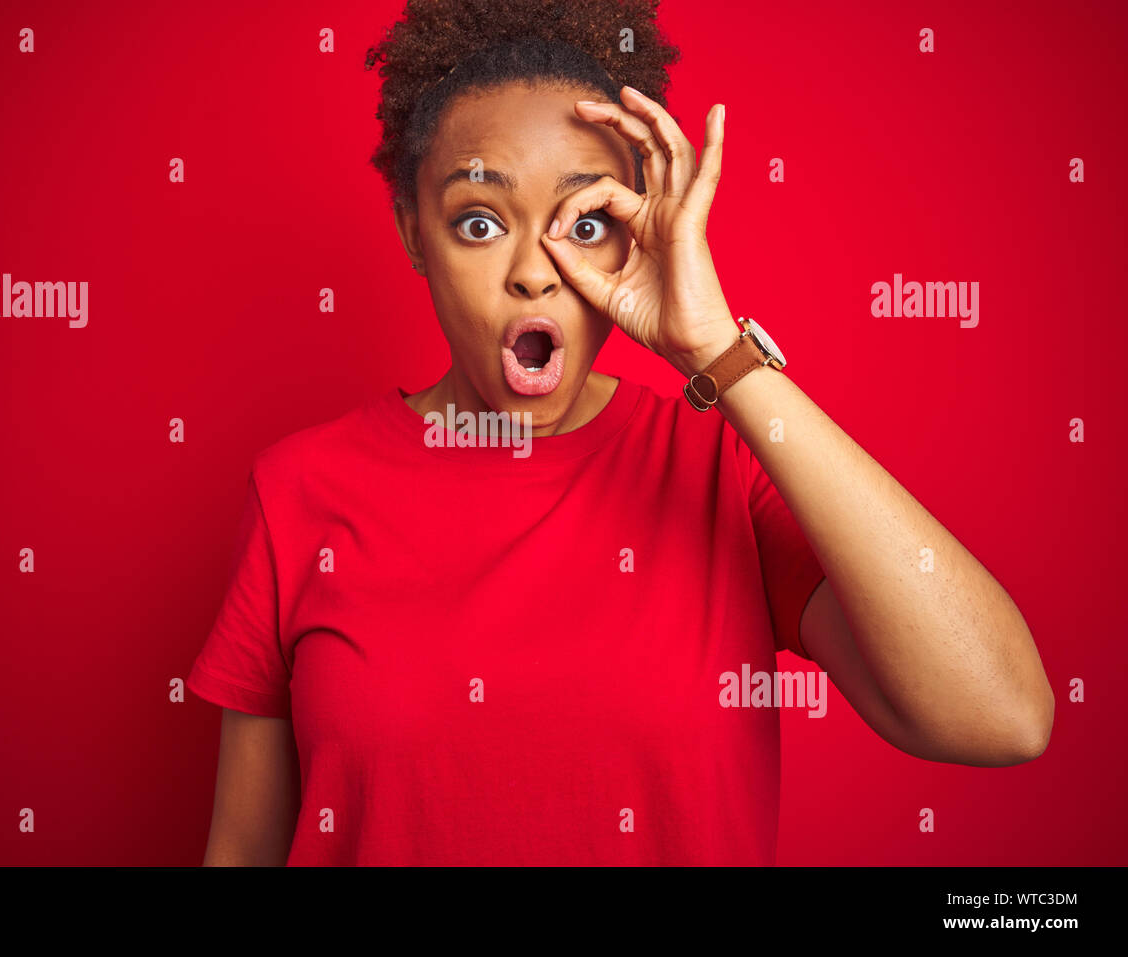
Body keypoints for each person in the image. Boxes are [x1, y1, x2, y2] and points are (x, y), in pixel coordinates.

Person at [188, 0, 1054, 866]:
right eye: (479, 222)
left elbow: (1000, 715)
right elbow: (244, 848)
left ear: (635, 233)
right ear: (415, 232)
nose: (533, 271)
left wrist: (719, 352)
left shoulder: (722, 471)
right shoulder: (298, 490)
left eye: (587, 223)